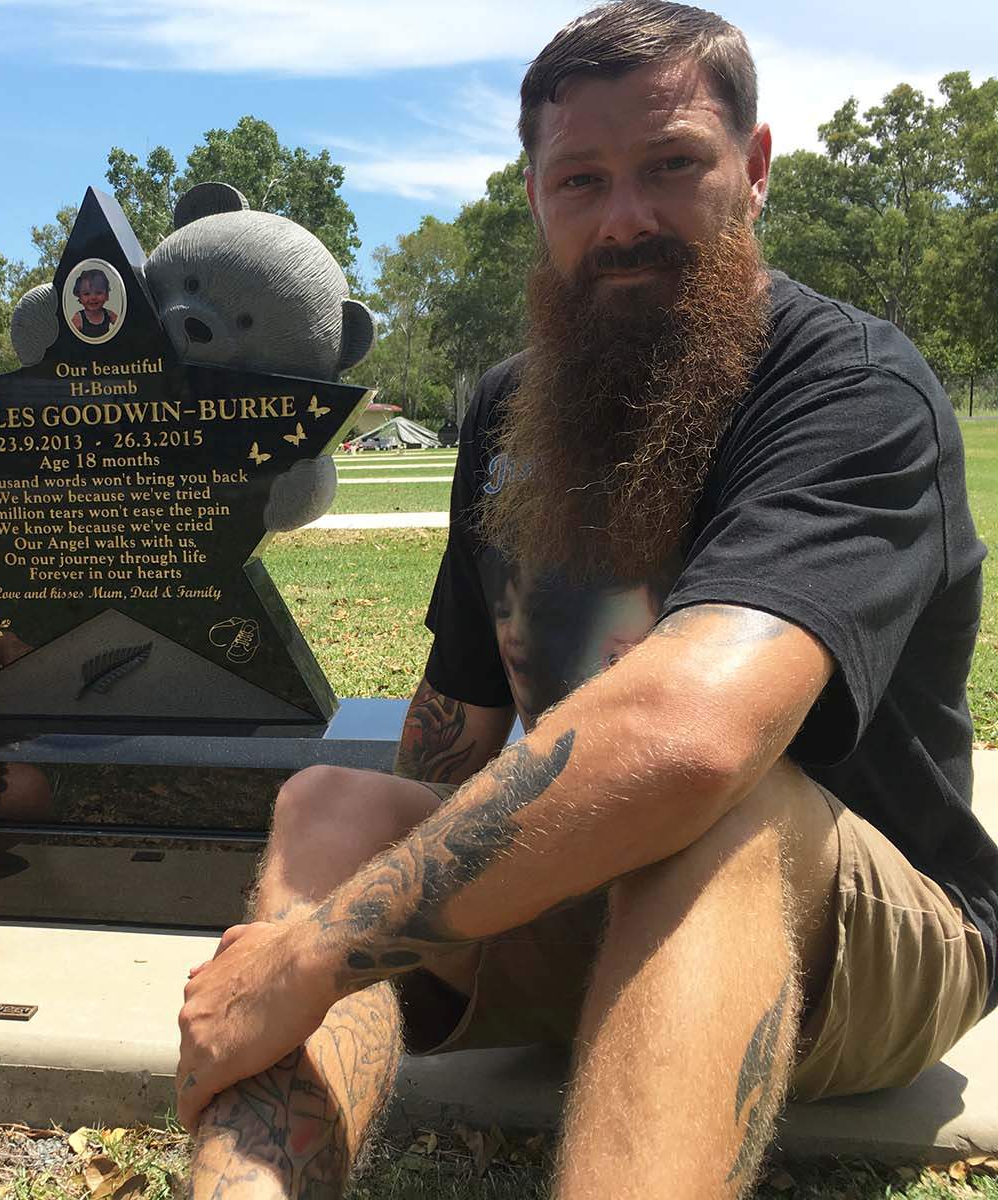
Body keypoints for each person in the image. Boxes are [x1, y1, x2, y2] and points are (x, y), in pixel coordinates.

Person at [175, 4, 998, 1198]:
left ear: (752, 169)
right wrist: (347, 922)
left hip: (864, 951)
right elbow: (454, 725)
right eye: (581, 180)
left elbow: (690, 739)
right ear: (535, 195)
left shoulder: (851, 390)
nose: (626, 220)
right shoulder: (513, 409)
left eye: (672, 166)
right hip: (589, 906)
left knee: (713, 801)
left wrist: (319, 948)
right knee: (333, 803)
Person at [71, 268, 119, 338]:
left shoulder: (108, 314)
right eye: (87, 293)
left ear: (107, 295)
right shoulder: (78, 318)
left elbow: (121, 325)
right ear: (79, 297)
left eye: (98, 292)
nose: (93, 297)